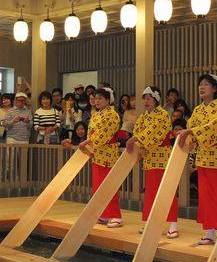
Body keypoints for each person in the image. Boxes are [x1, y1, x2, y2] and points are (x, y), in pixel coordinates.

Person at [178, 74, 217, 249]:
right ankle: (209, 232)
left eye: (206, 84)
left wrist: (191, 132)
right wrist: (188, 136)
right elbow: (191, 129)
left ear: (215, 88)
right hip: (204, 157)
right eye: (200, 84)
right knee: (206, 196)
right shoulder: (198, 110)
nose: (202, 87)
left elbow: (213, 127)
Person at [127, 86, 178, 235]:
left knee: (166, 190)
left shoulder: (162, 114)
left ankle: (173, 223)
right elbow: (138, 132)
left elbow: (151, 133)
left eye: (149, 98)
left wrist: (134, 139)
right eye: (144, 98)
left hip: (162, 157)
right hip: (149, 158)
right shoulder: (143, 116)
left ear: (156, 99)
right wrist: (137, 146)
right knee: (150, 192)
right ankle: (151, 222)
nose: (146, 101)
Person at [67, 89, 121, 226]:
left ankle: (115, 215)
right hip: (97, 153)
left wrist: (87, 142)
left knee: (109, 185)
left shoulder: (112, 114)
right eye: (96, 98)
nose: (97, 101)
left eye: (100, 98)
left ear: (108, 100)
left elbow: (104, 134)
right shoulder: (96, 115)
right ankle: (103, 214)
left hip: (108, 153)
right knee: (98, 185)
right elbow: (91, 133)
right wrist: (89, 145)